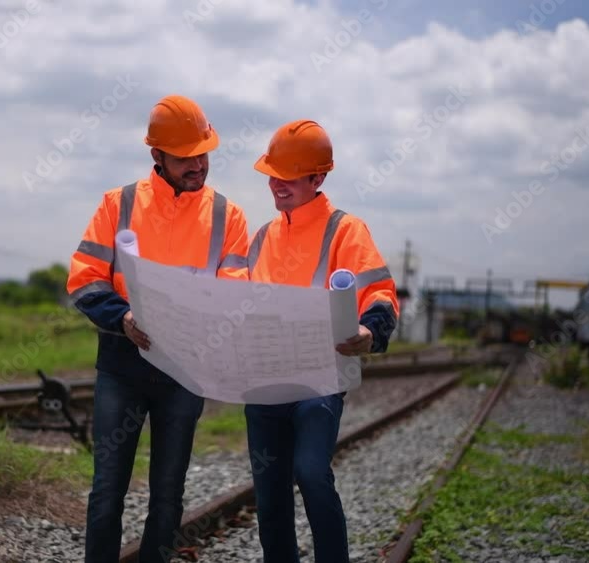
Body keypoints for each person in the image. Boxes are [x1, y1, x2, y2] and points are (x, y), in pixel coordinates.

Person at [65, 94, 250, 562]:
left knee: (168, 496)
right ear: (157, 156)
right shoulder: (118, 204)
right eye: (186, 157)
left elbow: (235, 291)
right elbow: (85, 279)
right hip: (122, 365)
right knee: (107, 492)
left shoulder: (229, 217)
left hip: (186, 370)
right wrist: (123, 318)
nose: (198, 165)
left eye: (203, 153)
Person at [243, 119, 399, 562]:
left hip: (319, 381)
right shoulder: (261, 239)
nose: (276, 184)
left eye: (289, 176)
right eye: (273, 174)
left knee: (311, 473)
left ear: (319, 177)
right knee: (270, 500)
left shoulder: (345, 231)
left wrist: (370, 331)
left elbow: (381, 294)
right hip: (265, 384)